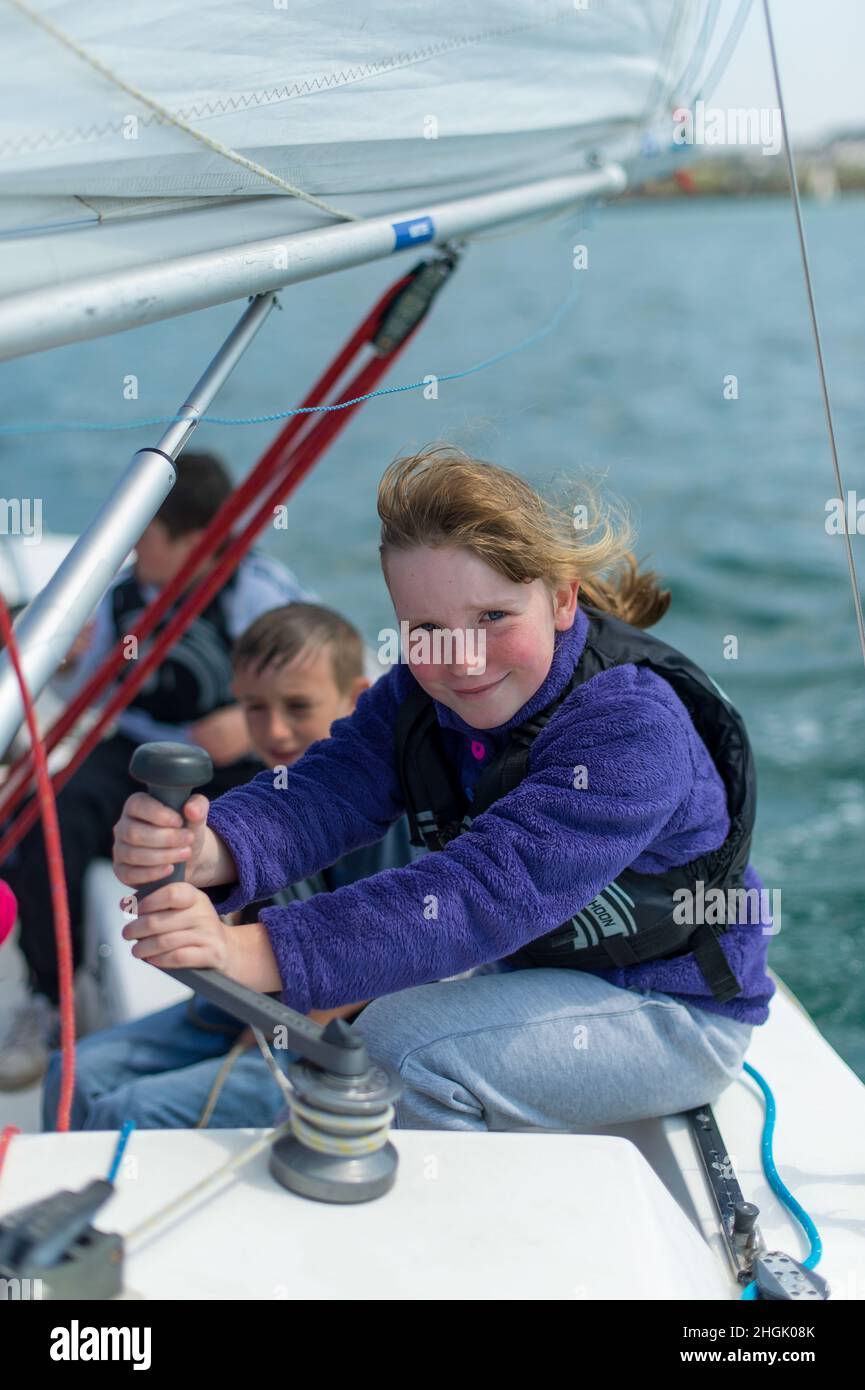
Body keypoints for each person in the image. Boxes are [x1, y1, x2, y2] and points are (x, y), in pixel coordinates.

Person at [110, 445, 776, 1134]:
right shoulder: (416, 697)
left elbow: (486, 891)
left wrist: (253, 951)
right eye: (425, 628)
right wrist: (212, 841)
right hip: (531, 978)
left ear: (560, 598)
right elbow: (327, 788)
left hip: (673, 1011)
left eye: (491, 618)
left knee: (399, 1041)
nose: (460, 660)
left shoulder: (630, 729)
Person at [41, 602, 422, 1130]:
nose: (276, 730)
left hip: (341, 1036)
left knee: (128, 1111)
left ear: (358, 699)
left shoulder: (387, 816)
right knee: (72, 1072)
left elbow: (393, 955)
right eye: (255, 709)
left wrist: (277, 1028)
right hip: (252, 1007)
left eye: (297, 706)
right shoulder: (263, 800)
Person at [1, 452, 314, 1089]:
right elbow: (93, 692)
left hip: (234, 760)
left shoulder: (258, 595)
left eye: (143, 534)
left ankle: (261, 1007)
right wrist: (67, 665)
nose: (132, 548)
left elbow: (312, 674)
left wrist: (244, 720)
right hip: (137, 755)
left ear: (193, 540)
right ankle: (49, 994)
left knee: (269, 838)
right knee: (44, 817)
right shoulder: (121, 602)